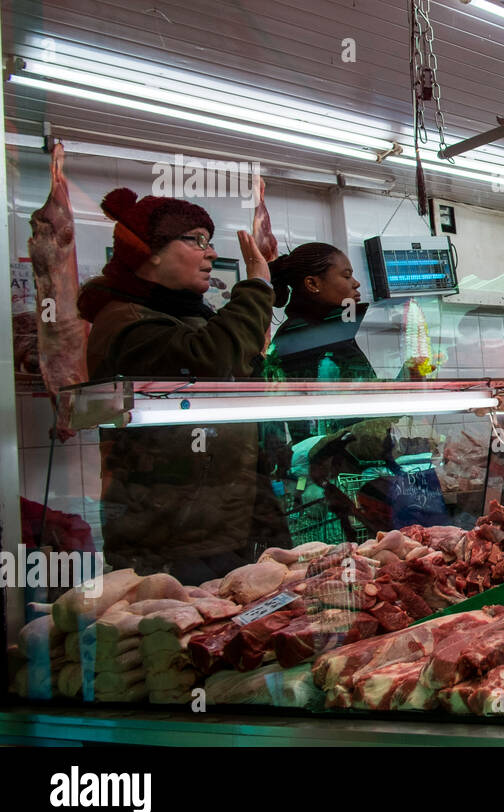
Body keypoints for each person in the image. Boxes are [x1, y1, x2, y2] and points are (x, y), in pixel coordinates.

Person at [77, 187, 290, 584]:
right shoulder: (126, 323)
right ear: (149, 251)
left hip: (220, 525)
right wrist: (258, 286)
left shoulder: (184, 316)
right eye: (197, 240)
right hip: (171, 539)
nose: (211, 253)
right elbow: (211, 363)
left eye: (209, 242)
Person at [265, 242, 374, 380]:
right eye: (346, 276)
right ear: (312, 284)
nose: (356, 283)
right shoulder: (302, 338)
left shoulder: (331, 331)